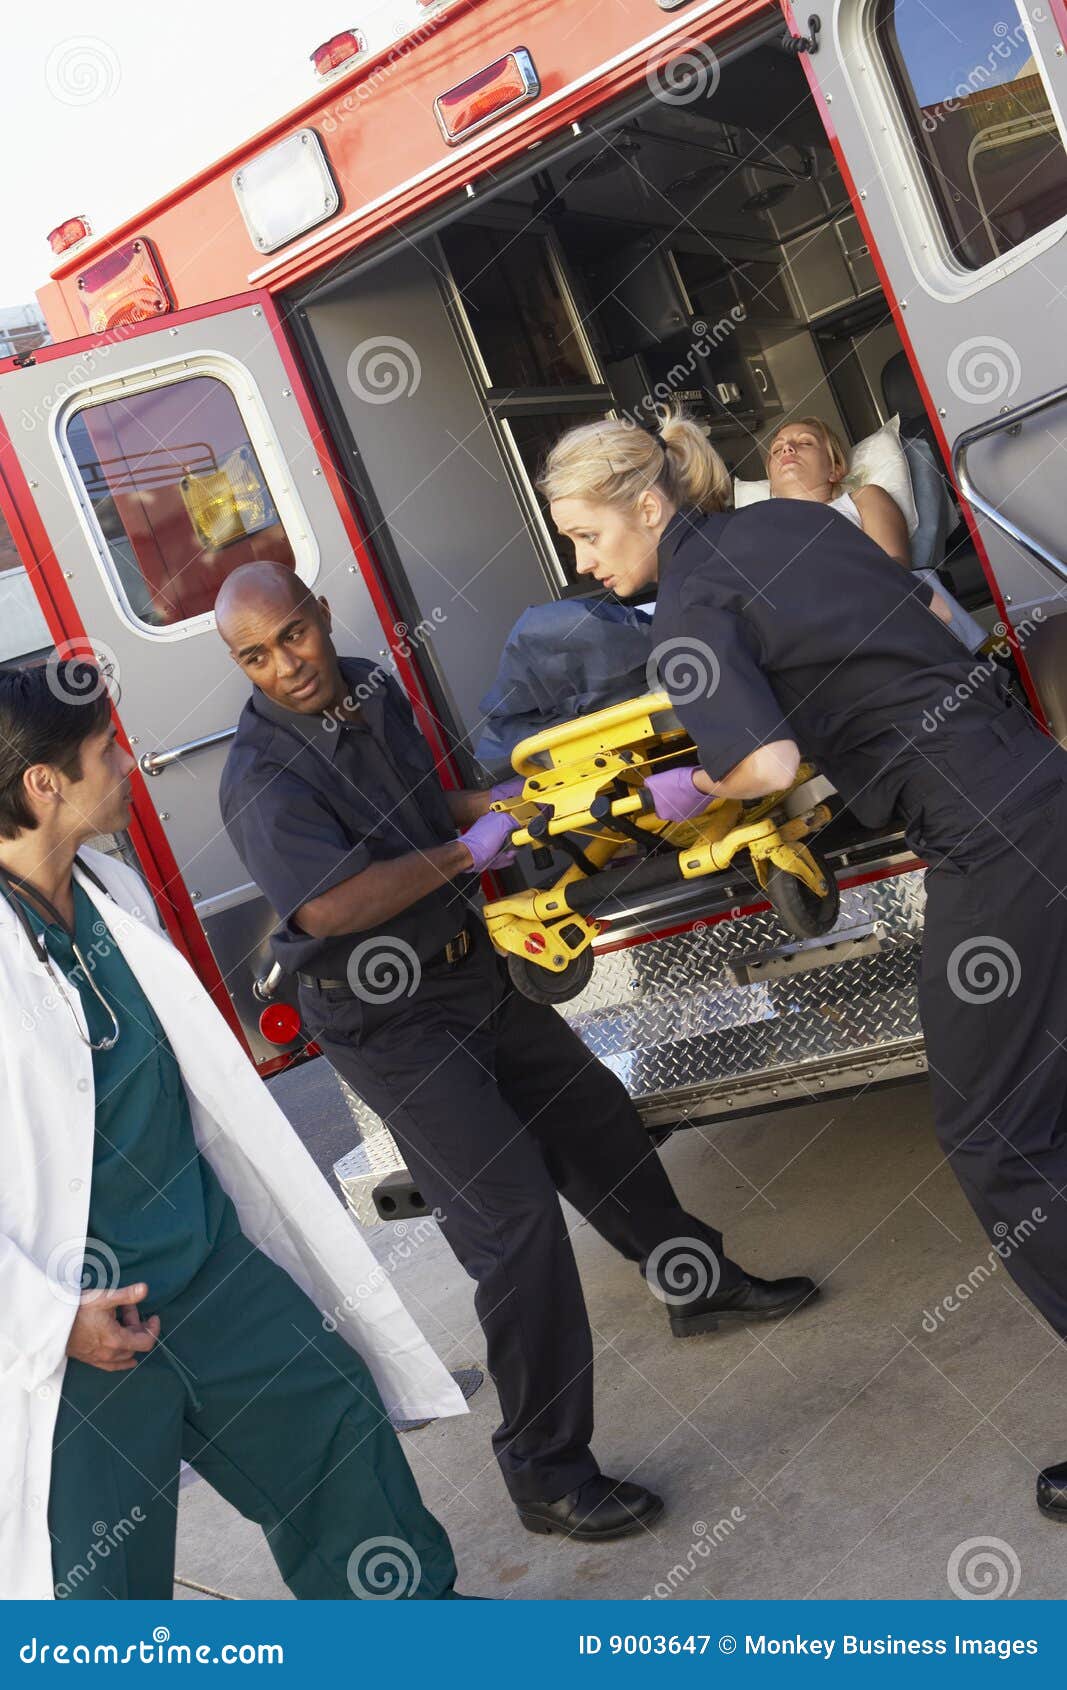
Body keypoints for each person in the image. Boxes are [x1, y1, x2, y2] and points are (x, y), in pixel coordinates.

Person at [215, 561, 818, 1544]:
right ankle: (543, 1468)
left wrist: (531, 805)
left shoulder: (367, 686)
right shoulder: (260, 773)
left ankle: (692, 1283)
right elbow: (324, 904)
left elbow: (428, 804)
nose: (286, 666)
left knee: (596, 1121)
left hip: (468, 968)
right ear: (239, 665)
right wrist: (470, 852)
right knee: (515, 1224)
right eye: (256, 657)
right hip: (388, 1018)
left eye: (293, 635)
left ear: (319, 616)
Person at [542, 408, 1067, 1519]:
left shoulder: (685, 604)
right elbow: (927, 605)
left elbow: (767, 757)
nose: (585, 565)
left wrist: (691, 790)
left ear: (646, 504)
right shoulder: (791, 519)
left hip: (991, 850)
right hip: (1038, 783)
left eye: (588, 536)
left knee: (995, 1139)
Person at [0, 663, 468, 1600]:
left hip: (206, 1271)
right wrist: (48, 1322)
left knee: (332, 1431)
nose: (129, 763)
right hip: (74, 1326)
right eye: (104, 751)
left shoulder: (109, 891)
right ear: (42, 785)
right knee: (94, 1586)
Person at [765, 416, 911, 567]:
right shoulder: (759, 528)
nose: (786, 448)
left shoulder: (863, 499)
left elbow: (895, 573)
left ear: (835, 469)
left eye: (805, 442)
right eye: (776, 450)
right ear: (772, 485)